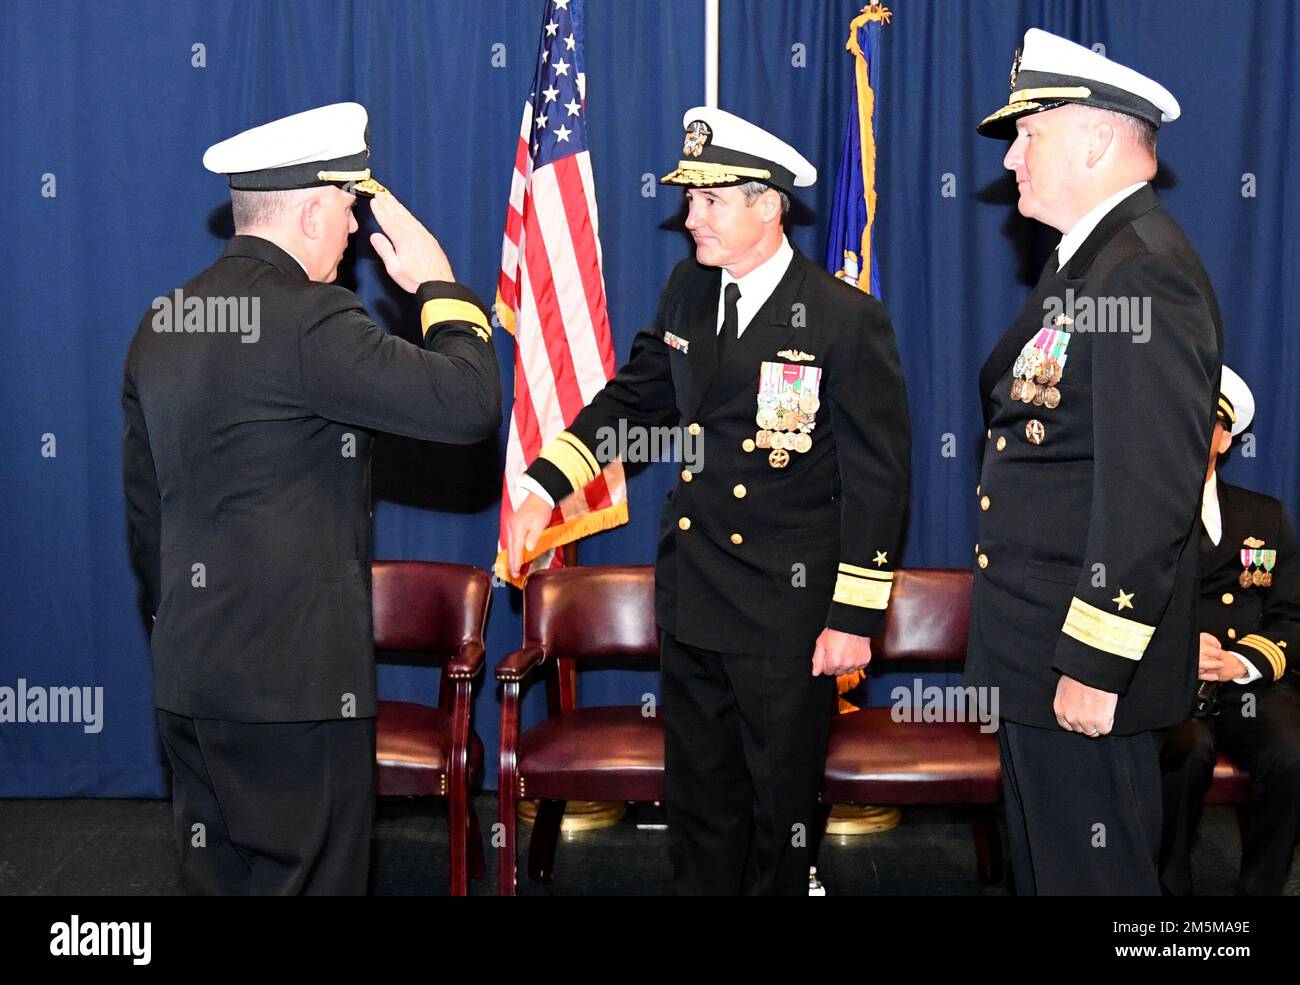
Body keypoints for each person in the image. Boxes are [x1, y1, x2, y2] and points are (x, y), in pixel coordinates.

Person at [506, 107, 910, 895]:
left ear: (768, 205)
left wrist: (855, 618)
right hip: (694, 595)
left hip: (785, 612)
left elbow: (880, 477)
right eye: (690, 200)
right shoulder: (690, 289)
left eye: (711, 201)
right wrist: (542, 484)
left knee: (777, 805)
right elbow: (636, 398)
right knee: (699, 803)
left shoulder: (843, 319)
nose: (690, 218)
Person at [122, 102, 502, 894]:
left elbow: (145, 518)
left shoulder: (164, 321)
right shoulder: (311, 318)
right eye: (351, 209)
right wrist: (440, 283)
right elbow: (467, 403)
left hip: (192, 681)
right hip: (296, 691)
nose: (358, 231)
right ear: (310, 209)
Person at [966, 29, 1223, 894]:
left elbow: (1148, 490)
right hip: (1036, 648)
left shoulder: (1142, 274)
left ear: (1098, 139)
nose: (1012, 161)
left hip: (1077, 662)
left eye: (1028, 134)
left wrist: (1095, 661)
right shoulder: (1089, 265)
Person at [1159, 367, 1300, 896]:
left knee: (1292, 754)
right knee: (1185, 753)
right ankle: (1166, 895)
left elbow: (1291, 613)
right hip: (1165, 684)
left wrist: (1242, 662)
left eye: (1209, 424)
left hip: (1249, 686)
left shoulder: (1265, 515)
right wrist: (1174, 650)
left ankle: (1259, 893)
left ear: (1226, 437)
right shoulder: (1134, 511)